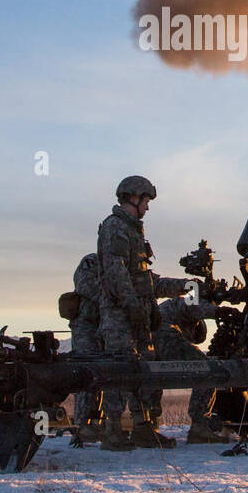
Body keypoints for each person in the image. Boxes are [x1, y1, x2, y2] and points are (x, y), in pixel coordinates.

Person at [95, 175, 187, 451]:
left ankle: (144, 427)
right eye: (146, 201)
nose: (147, 208)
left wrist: (150, 307)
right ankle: (112, 430)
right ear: (133, 198)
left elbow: (142, 276)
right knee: (119, 371)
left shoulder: (133, 231)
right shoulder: (115, 228)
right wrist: (133, 305)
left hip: (138, 315)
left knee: (144, 371)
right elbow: (116, 272)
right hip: (119, 315)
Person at [153, 296, 232, 444]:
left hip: (147, 340)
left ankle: (147, 426)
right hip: (164, 335)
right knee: (208, 369)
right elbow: (195, 306)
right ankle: (200, 426)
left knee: (152, 377)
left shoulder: (169, 309)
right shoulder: (184, 304)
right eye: (192, 338)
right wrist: (218, 311)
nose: (189, 342)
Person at [65, 252, 105, 443]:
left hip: (106, 326)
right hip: (86, 326)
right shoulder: (92, 261)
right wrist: (115, 297)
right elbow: (86, 286)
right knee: (86, 375)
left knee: (107, 376)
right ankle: (82, 426)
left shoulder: (122, 266)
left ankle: (98, 422)